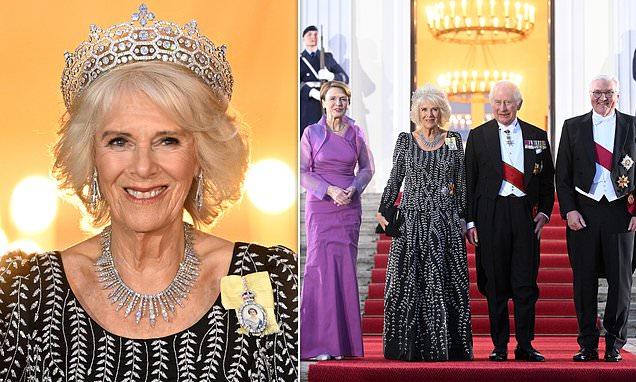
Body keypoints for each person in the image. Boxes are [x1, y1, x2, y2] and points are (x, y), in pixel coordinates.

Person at [0, 5, 297, 381]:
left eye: (168, 140)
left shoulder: (264, 279)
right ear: (90, 155)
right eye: (120, 141)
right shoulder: (23, 291)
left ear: (200, 157)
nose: (143, 168)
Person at [376, 84, 473, 361]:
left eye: (434, 109)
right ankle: (407, 348)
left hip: (445, 221)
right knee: (409, 284)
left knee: (446, 284)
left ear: (442, 112)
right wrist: (385, 210)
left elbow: (461, 182)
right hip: (413, 220)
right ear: (416, 113)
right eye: (424, 109)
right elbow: (395, 179)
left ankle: (449, 347)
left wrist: (463, 217)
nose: (429, 114)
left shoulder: (454, 139)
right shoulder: (405, 140)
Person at [465, 80, 555, 362]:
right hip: (490, 215)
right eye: (498, 103)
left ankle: (525, 344)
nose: (503, 108)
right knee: (495, 283)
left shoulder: (537, 136)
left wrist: (545, 211)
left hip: (524, 215)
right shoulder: (478, 137)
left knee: (526, 283)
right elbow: (469, 181)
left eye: (508, 102)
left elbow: (546, 179)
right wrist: (469, 222)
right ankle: (500, 345)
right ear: (492, 105)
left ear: (519, 104)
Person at [555, 75, 636, 362]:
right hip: (583, 213)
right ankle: (587, 344)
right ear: (589, 94)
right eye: (597, 93)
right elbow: (561, 176)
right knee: (584, 281)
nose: (602, 98)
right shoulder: (572, 126)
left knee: (621, 281)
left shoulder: (633, 125)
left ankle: (614, 343)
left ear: (618, 95)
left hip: (621, 213)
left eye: (609, 93)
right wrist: (569, 210)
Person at [300, 80, 374, 361]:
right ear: (323, 102)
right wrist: (327, 190)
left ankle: (344, 345)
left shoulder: (356, 132)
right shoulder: (311, 133)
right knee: (319, 269)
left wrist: (355, 187)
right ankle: (319, 344)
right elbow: (302, 170)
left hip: (349, 207)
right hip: (321, 206)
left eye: (342, 99)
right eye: (333, 99)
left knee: (344, 269)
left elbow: (368, 167)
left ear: (348, 102)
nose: (338, 104)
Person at [300, 25, 349, 138]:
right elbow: (295, 83)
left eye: (316, 34)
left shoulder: (327, 57)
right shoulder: (299, 59)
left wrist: (331, 76)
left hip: (327, 102)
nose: (313, 37)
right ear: (304, 38)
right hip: (308, 104)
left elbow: (344, 78)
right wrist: (311, 92)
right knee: (309, 136)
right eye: (309, 34)